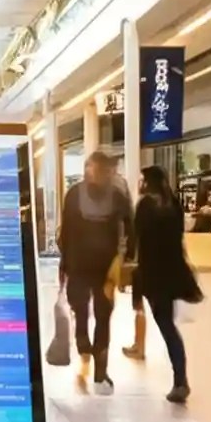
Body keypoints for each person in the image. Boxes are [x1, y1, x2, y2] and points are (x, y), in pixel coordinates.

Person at [58, 151, 131, 395]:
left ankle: (101, 372)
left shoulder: (117, 196)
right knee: (80, 308)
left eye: (107, 171)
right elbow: (65, 233)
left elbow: (131, 227)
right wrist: (64, 264)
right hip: (78, 266)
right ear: (88, 169)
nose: (102, 175)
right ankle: (81, 341)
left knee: (103, 316)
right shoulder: (74, 195)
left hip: (105, 271)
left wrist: (125, 259)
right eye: (98, 170)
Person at [129, 166, 203, 403]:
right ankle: (180, 378)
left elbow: (137, 242)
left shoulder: (145, 206)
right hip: (173, 272)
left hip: (153, 274)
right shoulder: (174, 205)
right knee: (169, 325)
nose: (139, 184)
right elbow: (179, 239)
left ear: (148, 182)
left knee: (166, 326)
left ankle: (181, 382)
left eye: (142, 180)